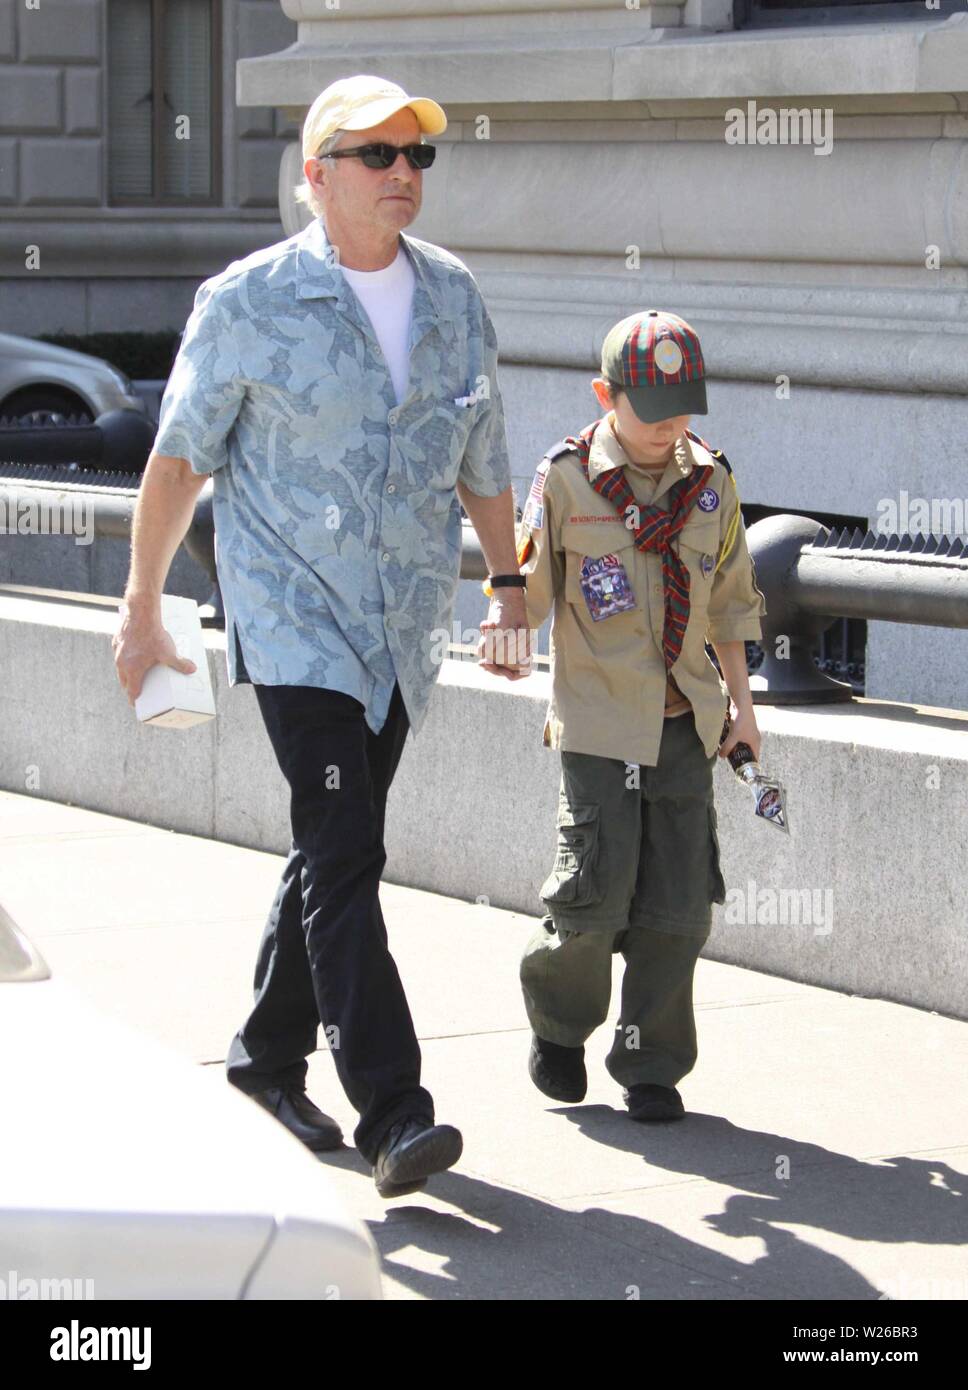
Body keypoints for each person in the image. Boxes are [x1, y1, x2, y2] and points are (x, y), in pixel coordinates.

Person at [112, 75, 531, 1197]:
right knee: (348, 851)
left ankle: (261, 1062)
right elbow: (178, 460)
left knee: (327, 848)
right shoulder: (246, 301)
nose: (404, 172)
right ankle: (395, 1111)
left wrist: (506, 584)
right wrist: (141, 604)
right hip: (293, 623)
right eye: (376, 154)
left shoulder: (452, 297)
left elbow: (481, 456)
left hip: (401, 630)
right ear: (315, 176)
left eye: (417, 156)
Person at [513, 310, 766, 1122]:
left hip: (685, 723)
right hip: (597, 726)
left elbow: (729, 610)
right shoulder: (566, 479)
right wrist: (502, 624)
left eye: (685, 408)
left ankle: (650, 1061)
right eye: (654, 408)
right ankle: (559, 1025)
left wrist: (745, 713)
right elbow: (526, 588)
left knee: (678, 904)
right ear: (605, 395)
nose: (671, 426)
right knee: (593, 893)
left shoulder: (712, 484)